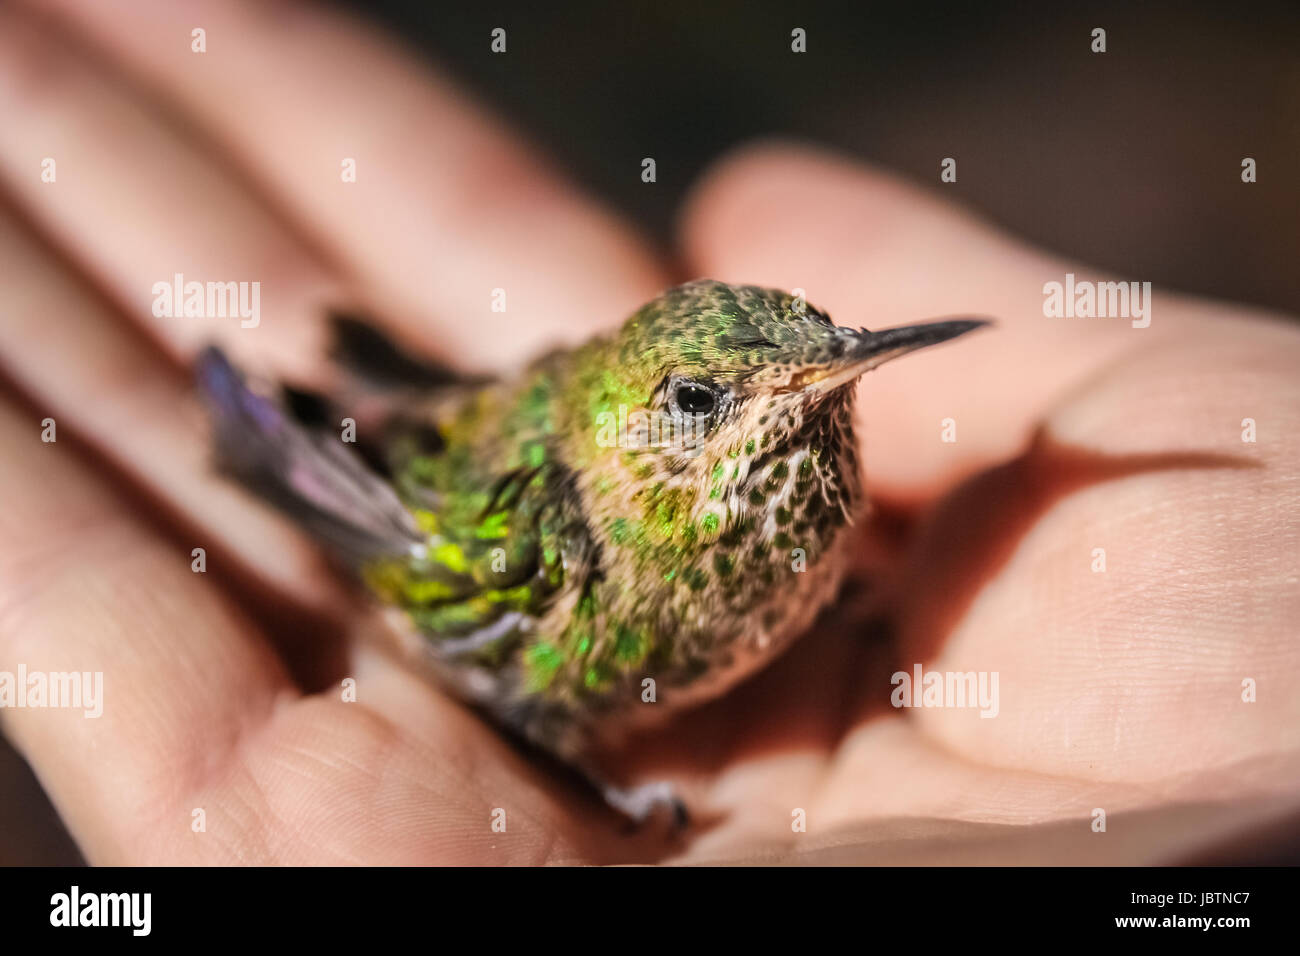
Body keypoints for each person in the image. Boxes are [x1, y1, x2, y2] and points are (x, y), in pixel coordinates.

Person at [0, 0, 1295, 864]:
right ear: (635, 424)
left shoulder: (816, 482)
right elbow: (419, 565)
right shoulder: (557, 536)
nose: (821, 383)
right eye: (704, 400)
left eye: (822, 350)